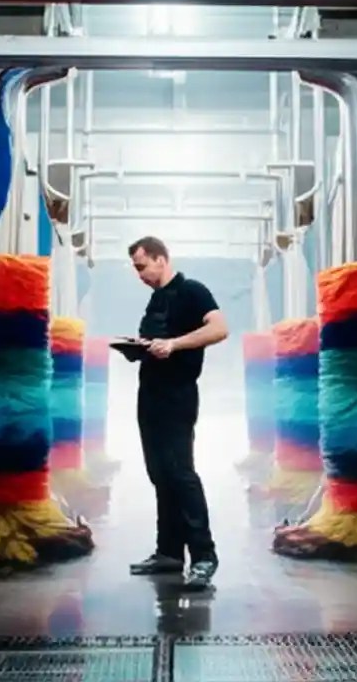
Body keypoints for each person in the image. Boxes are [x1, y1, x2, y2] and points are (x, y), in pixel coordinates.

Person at [125, 236, 228, 590]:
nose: (138, 274)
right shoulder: (155, 300)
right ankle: (169, 553)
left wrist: (175, 344)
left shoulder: (192, 291)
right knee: (159, 473)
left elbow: (219, 329)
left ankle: (204, 556)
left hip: (177, 396)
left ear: (160, 259)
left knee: (181, 473)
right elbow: (158, 342)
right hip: (149, 394)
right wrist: (138, 348)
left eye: (141, 266)